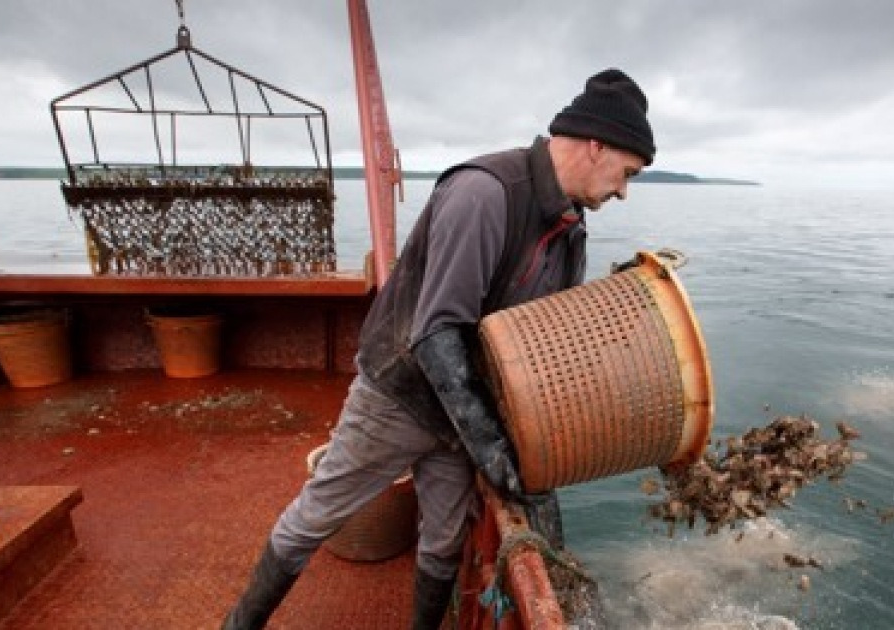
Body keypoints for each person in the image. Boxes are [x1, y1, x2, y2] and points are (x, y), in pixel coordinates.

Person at [222, 67, 655, 630]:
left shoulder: (570, 226)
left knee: (445, 542)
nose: (623, 190)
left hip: (463, 414)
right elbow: (436, 334)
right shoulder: (485, 193)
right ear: (597, 145)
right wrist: (495, 452)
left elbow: (551, 340)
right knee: (317, 515)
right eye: (627, 173)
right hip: (399, 394)